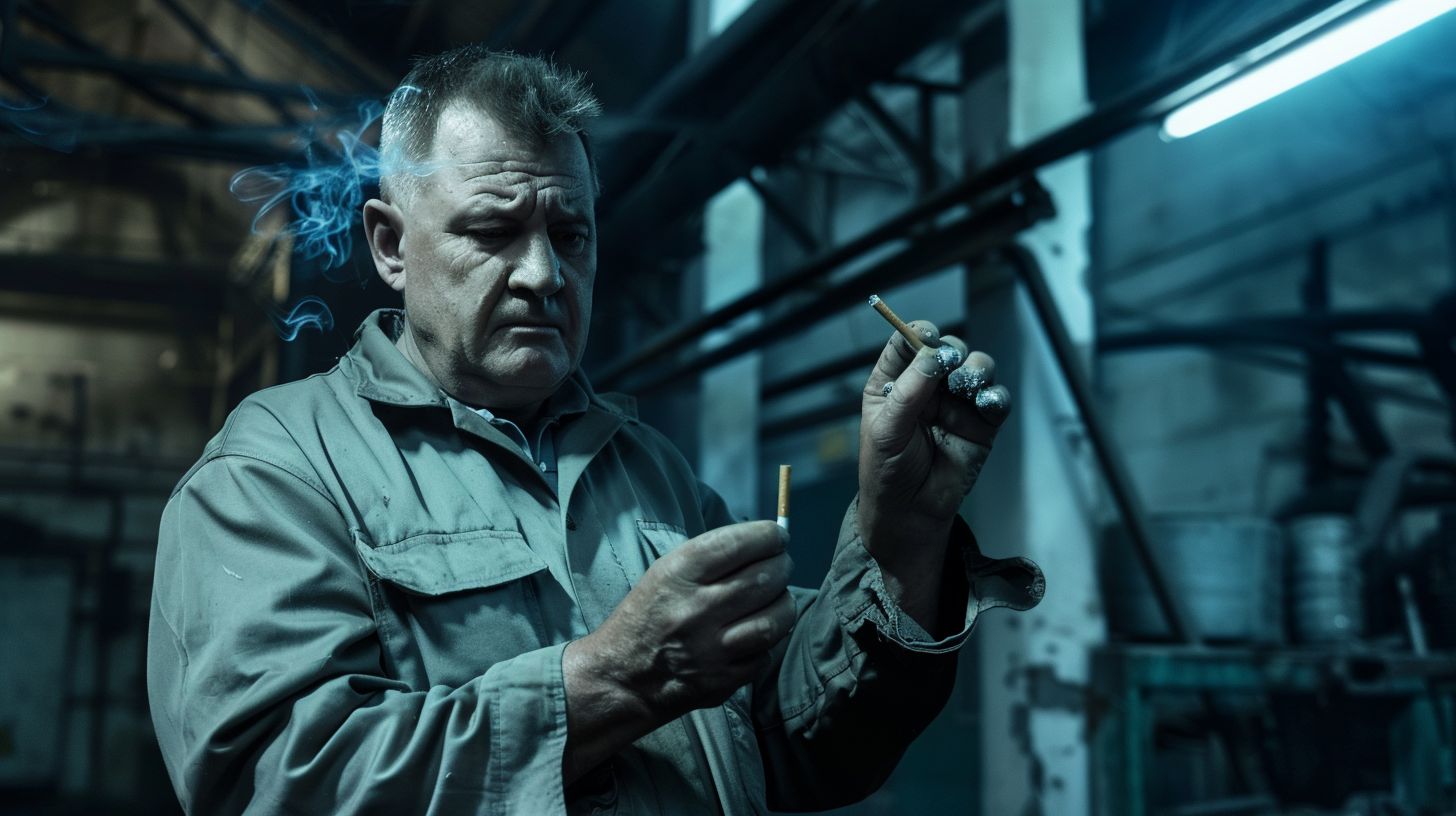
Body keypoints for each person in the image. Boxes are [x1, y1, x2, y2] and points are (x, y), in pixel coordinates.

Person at [147, 46, 1043, 815]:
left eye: (570, 234)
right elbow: (272, 783)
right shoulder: (277, 473)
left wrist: (901, 536)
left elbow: (796, 745)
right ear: (390, 244)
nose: (542, 272)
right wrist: (611, 681)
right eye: (493, 230)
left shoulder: (647, 468)